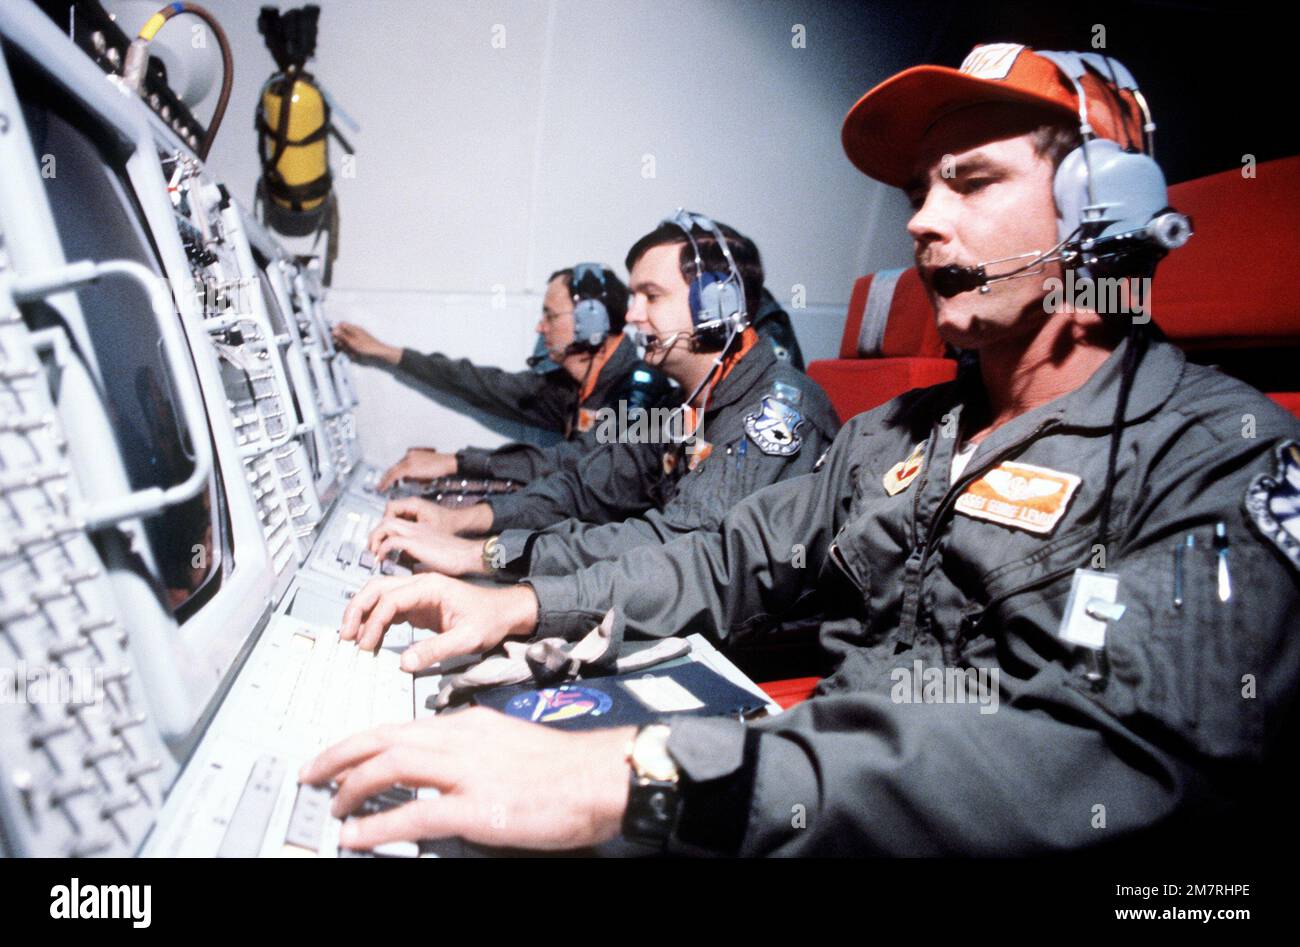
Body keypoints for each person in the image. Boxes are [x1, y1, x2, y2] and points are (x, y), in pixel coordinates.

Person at [301, 44, 1300, 856]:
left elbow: (1108, 760)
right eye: (918, 188)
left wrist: (651, 777)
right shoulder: (899, 436)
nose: (921, 219)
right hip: (808, 793)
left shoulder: (1221, 458)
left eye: (971, 181)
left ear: (1100, 219)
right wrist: (516, 596)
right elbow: (726, 552)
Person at [360, 213, 840, 580]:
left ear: (719, 307)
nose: (630, 317)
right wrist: (461, 521)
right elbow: (588, 485)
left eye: (651, 296)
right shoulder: (679, 408)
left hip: (757, 649)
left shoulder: (776, 415)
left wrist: (482, 554)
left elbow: (679, 550)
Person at [332, 265, 675, 487]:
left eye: (550, 316)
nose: (540, 327)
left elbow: (581, 464)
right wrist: (386, 352)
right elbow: (480, 384)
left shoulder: (642, 394)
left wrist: (456, 463)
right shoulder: (574, 388)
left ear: (592, 323)